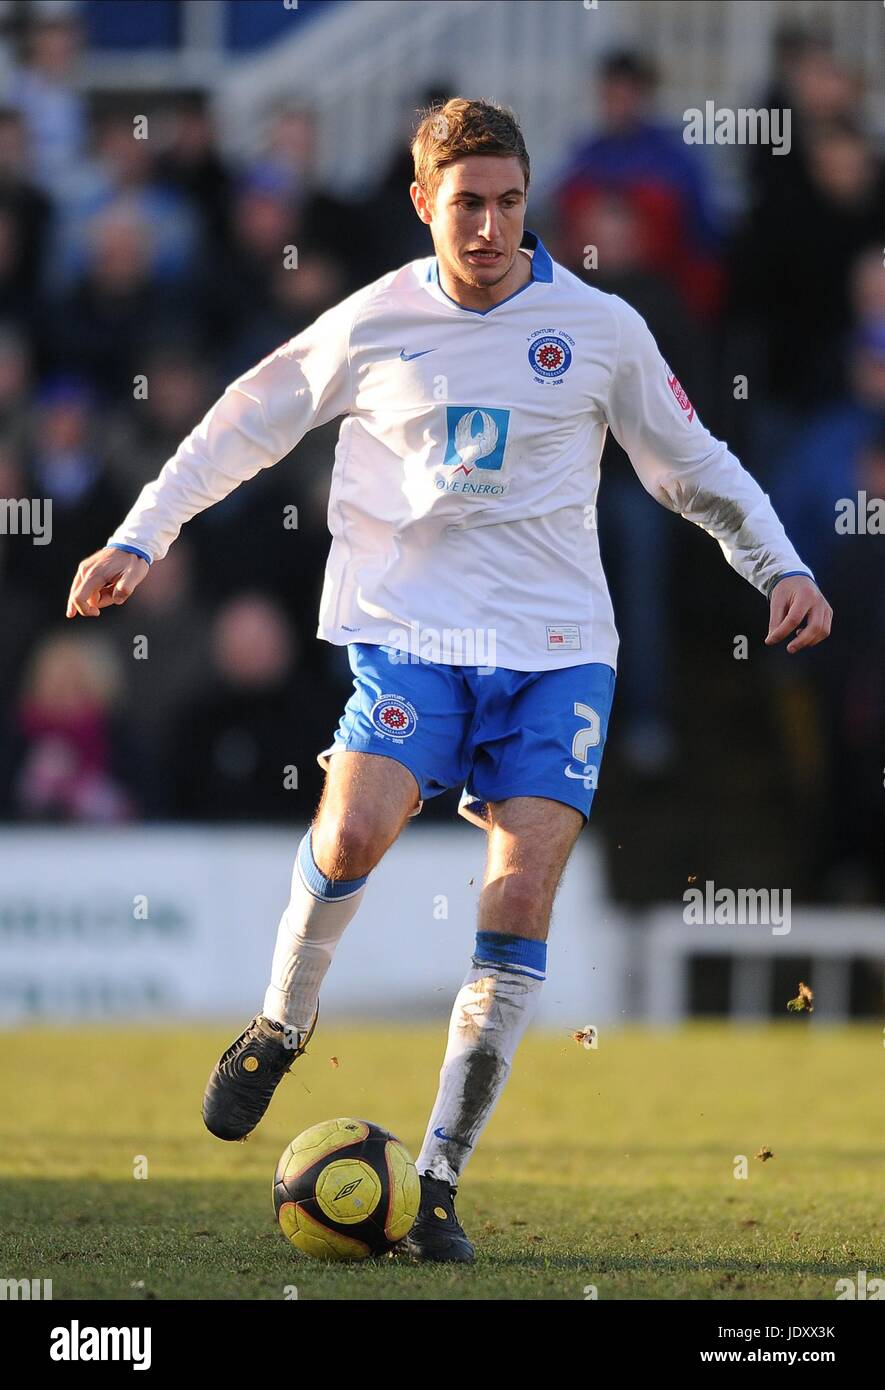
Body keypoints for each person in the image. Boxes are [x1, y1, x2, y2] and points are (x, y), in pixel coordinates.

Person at [65, 98, 832, 1263]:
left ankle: (433, 1184)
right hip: (412, 633)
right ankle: (279, 1024)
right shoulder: (375, 321)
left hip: (560, 647)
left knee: (518, 898)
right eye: (466, 204)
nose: (488, 228)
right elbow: (245, 422)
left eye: (509, 204)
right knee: (359, 829)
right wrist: (139, 535)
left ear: (532, 204)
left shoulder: (601, 329)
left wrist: (778, 562)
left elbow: (692, 464)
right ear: (424, 201)